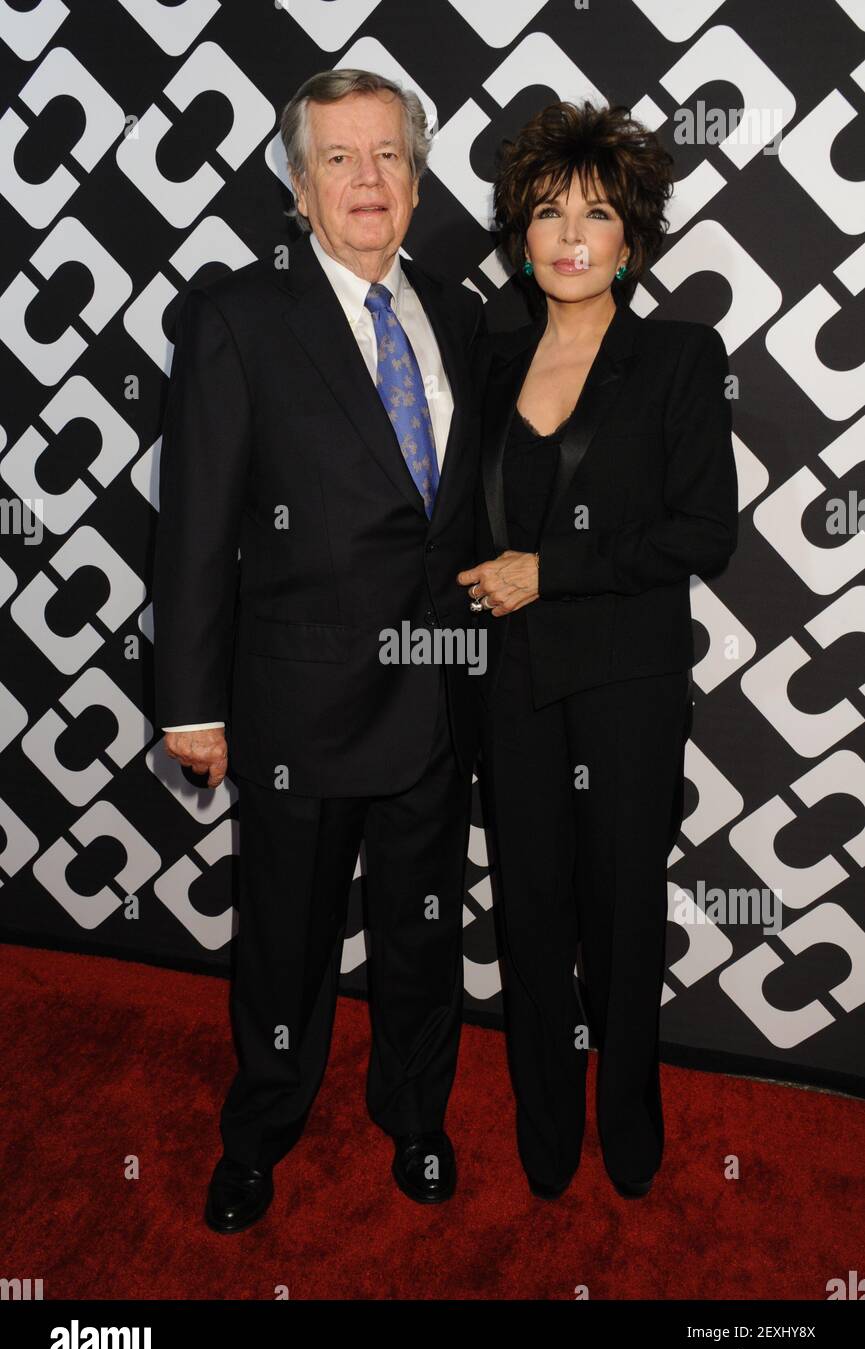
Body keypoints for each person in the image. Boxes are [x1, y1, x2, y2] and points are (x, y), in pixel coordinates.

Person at [152, 69, 486, 1233]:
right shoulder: (241, 314)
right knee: (284, 942)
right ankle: (262, 1130)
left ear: (418, 172)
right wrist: (189, 700)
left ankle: (417, 1113)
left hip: (437, 700)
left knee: (421, 929)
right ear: (299, 181)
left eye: (388, 155)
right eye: (339, 158)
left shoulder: (459, 309)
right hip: (295, 704)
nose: (366, 180)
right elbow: (194, 520)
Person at [458, 99, 738, 1201]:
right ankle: (543, 1123)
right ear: (519, 233)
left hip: (625, 683)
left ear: (632, 236)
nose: (570, 234)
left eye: (597, 213)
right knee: (528, 913)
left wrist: (550, 570)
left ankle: (626, 1119)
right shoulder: (486, 359)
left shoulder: (676, 356)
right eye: (547, 212)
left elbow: (702, 533)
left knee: (623, 917)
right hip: (511, 687)